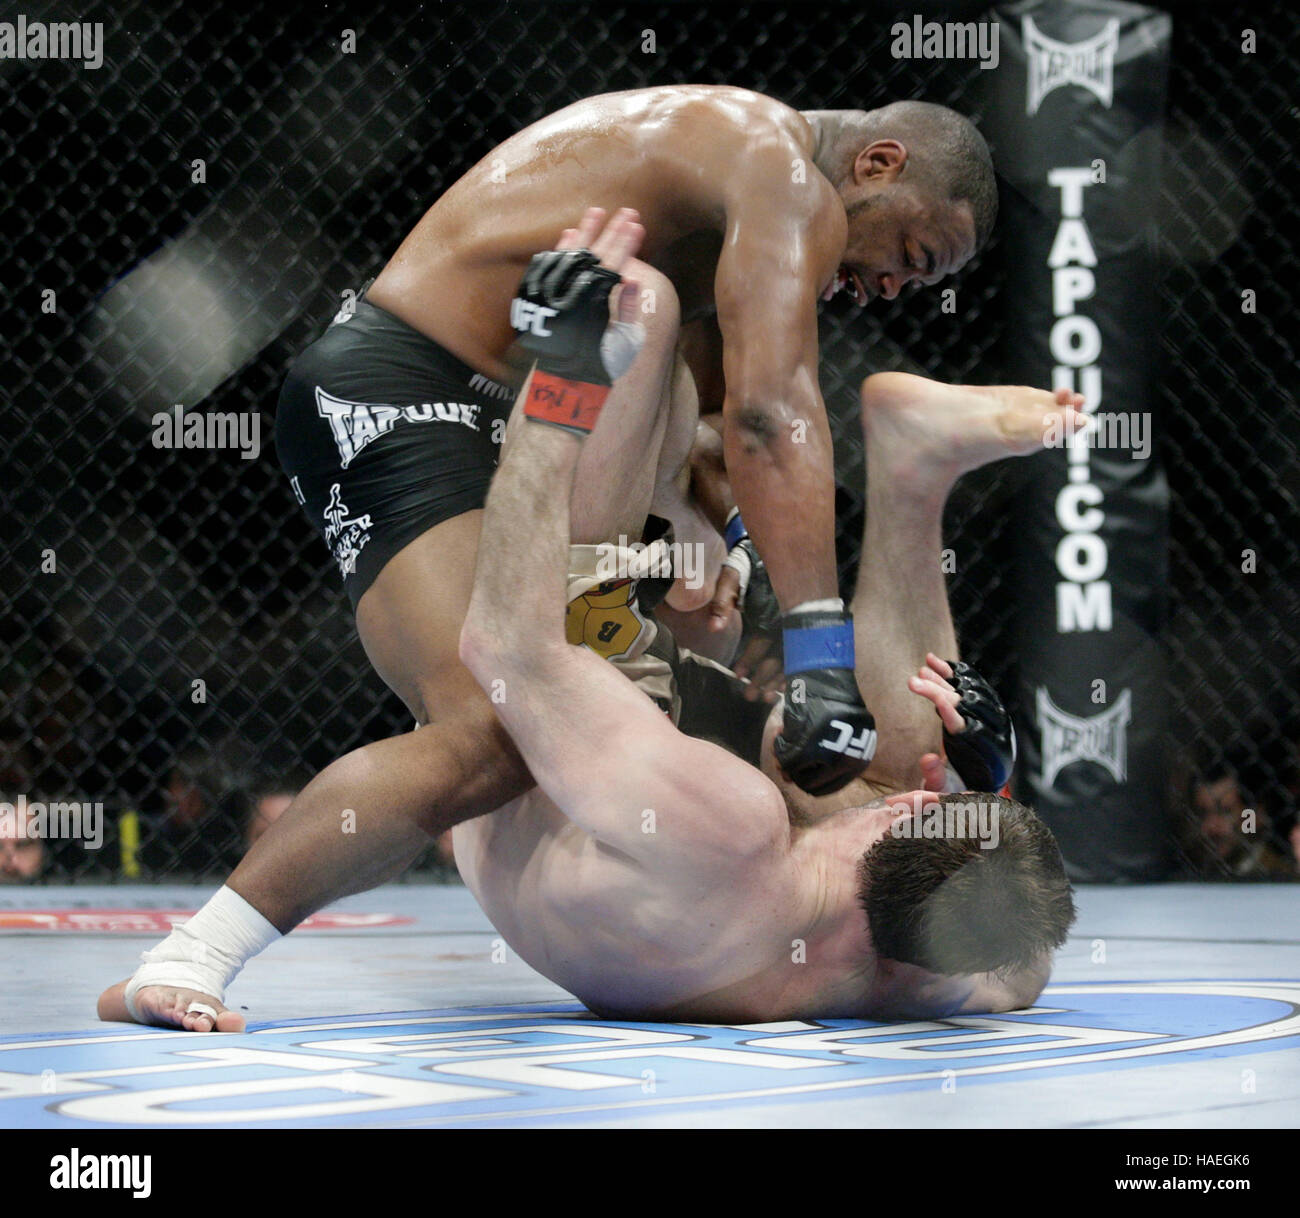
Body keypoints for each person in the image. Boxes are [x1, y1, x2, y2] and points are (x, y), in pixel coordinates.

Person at [100, 209, 1078, 1028]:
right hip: (651, 767)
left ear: (902, 814)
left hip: (551, 771)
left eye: (923, 801)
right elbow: (1018, 956)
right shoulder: (931, 979)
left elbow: (511, 647)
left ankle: (196, 951)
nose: (915, 788)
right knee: (914, 726)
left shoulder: (732, 836)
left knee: (634, 315)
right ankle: (911, 470)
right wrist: (986, 785)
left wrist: (558, 384)